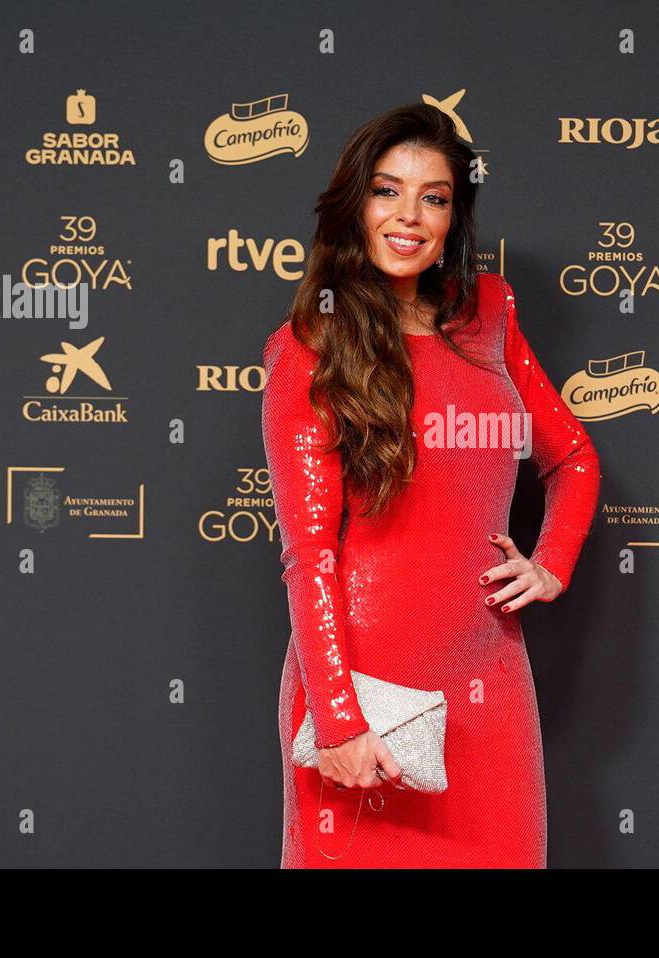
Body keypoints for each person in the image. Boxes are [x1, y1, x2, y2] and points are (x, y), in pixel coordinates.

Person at [261, 102, 601, 867]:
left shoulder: (489, 313)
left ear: (455, 215)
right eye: (388, 191)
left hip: (491, 683)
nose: (409, 216)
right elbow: (309, 556)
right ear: (355, 204)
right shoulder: (306, 348)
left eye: (435, 196)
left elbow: (572, 457)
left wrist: (550, 564)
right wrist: (341, 721)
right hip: (364, 688)